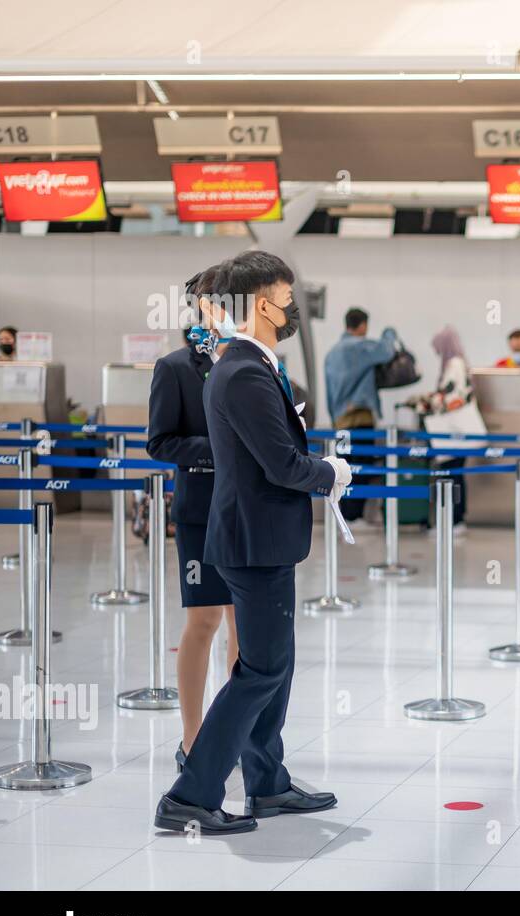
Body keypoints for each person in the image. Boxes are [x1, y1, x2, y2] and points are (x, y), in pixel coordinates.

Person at [154, 250, 351, 836]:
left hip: (262, 539)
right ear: (263, 304)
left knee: (275, 666)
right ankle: (192, 793)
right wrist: (331, 473)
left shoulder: (248, 366)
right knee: (260, 671)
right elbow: (282, 465)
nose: (293, 310)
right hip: (252, 541)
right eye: (288, 300)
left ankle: (266, 783)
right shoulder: (241, 371)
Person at [147, 263, 239, 769]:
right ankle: (192, 739)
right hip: (202, 511)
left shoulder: (259, 364)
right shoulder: (176, 368)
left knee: (243, 626)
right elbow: (160, 442)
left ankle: (235, 736)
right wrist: (219, 447)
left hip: (249, 513)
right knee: (203, 620)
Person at [323, 306, 399, 522]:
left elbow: (328, 392)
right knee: (361, 467)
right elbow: (387, 351)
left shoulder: (332, 353)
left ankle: (344, 517)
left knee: (343, 469)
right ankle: (355, 517)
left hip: (340, 420)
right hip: (360, 419)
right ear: (363, 325)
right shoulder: (361, 347)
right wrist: (389, 333)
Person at [416, 326, 486, 532]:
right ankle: (454, 520)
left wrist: (429, 402)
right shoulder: (457, 363)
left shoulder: (454, 364)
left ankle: (454, 521)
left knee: (451, 473)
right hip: (455, 431)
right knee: (454, 472)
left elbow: (453, 396)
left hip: (454, 431)